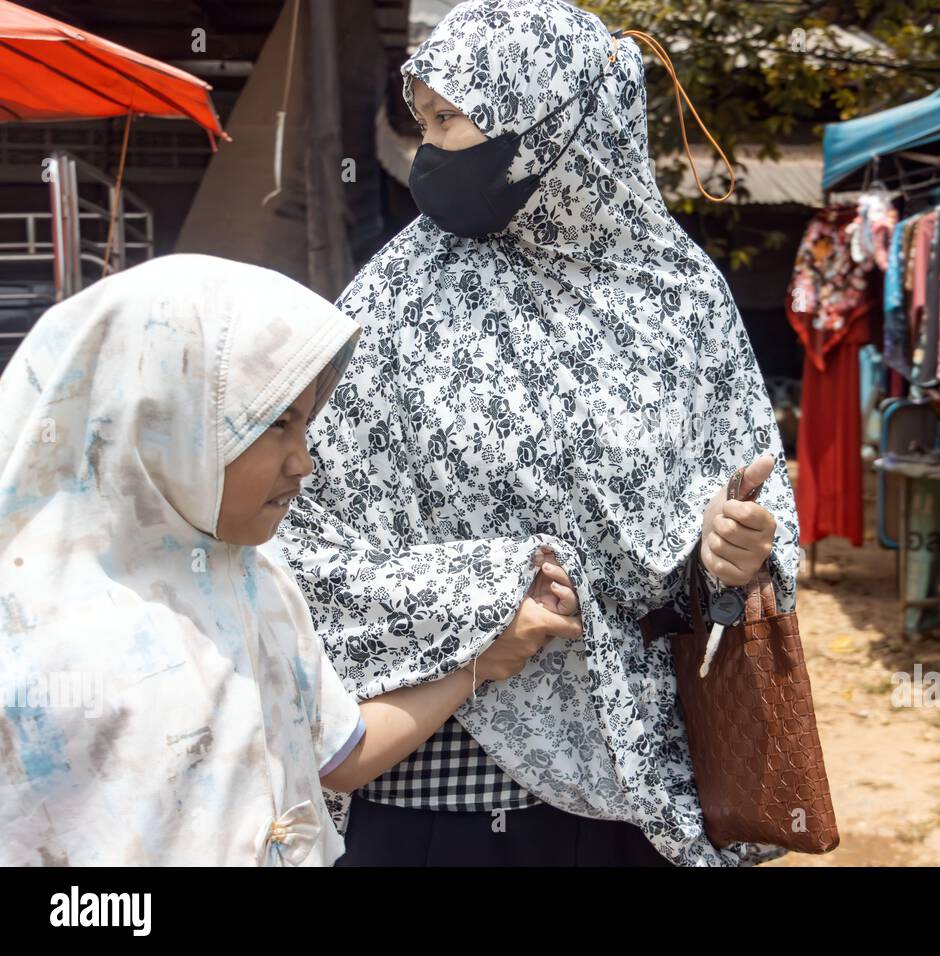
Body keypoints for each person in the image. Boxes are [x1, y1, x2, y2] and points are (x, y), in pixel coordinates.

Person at [277, 0, 799, 867]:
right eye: (426, 121)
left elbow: (745, 511)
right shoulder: (392, 302)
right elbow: (301, 528)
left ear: (554, 119)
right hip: (435, 791)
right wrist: (486, 594)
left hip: (637, 792)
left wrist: (728, 553)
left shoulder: (676, 299)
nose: (429, 149)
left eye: (451, 118)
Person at [0, 254, 581, 865]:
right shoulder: (35, 640)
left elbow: (340, 754)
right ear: (163, 421)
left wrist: (474, 666)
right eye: (275, 425)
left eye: (304, 428)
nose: (302, 462)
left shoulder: (253, 578)